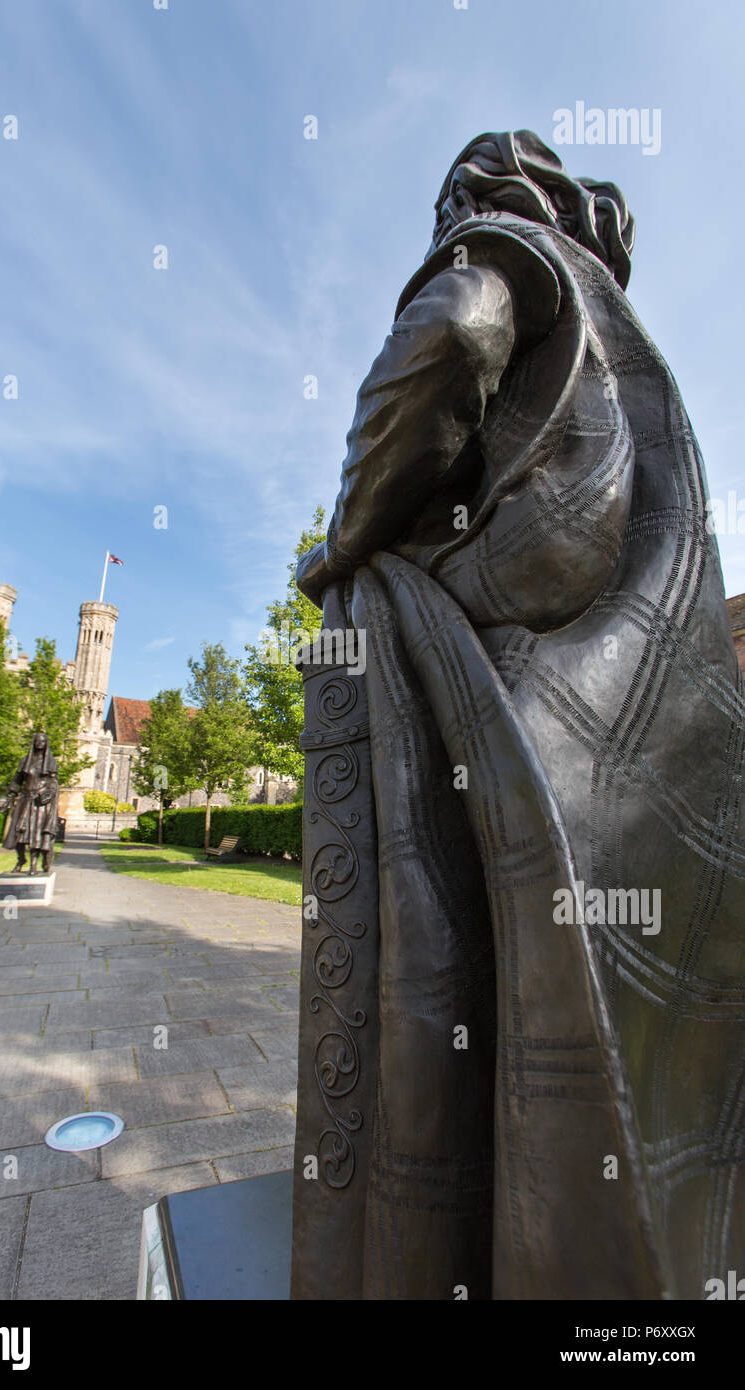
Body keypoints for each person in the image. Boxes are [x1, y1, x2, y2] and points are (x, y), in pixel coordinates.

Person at [292, 130, 745, 1300]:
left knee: (470, 993)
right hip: (632, 730)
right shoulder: (630, 346)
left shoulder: (502, 248)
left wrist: (347, 539)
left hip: (512, 688)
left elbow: (449, 334)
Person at [3, 731, 59, 875]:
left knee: (36, 834)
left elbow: (53, 782)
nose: (39, 743)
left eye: (42, 741)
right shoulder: (24, 761)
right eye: (37, 741)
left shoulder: (51, 762)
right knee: (18, 833)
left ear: (46, 744)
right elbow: (17, 781)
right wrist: (9, 799)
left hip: (40, 803)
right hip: (25, 800)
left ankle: (34, 864)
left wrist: (48, 793)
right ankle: (21, 859)